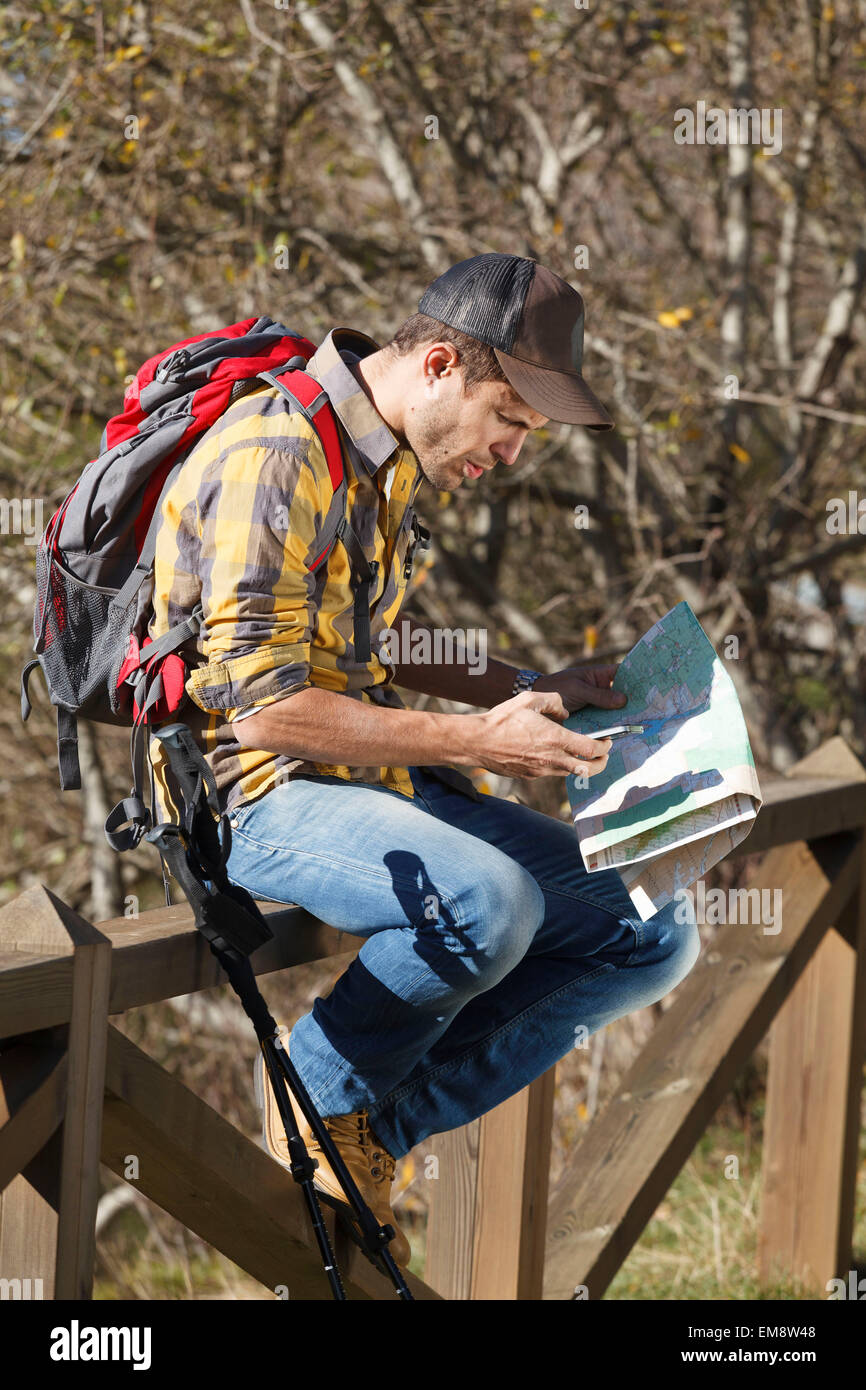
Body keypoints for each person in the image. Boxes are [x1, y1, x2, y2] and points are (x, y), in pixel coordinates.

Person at [148, 253, 700, 1269]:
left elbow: (377, 641)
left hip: (371, 782)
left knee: (651, 927)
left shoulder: (382, 457)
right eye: (510, 418)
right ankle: (315, 1090)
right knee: (489, 901)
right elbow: (263, 712)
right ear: (439, 362)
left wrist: (527, 682)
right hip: (256, 797)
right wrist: (483, 741)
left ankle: (367, 1130)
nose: (513, 451)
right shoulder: (277, 452)